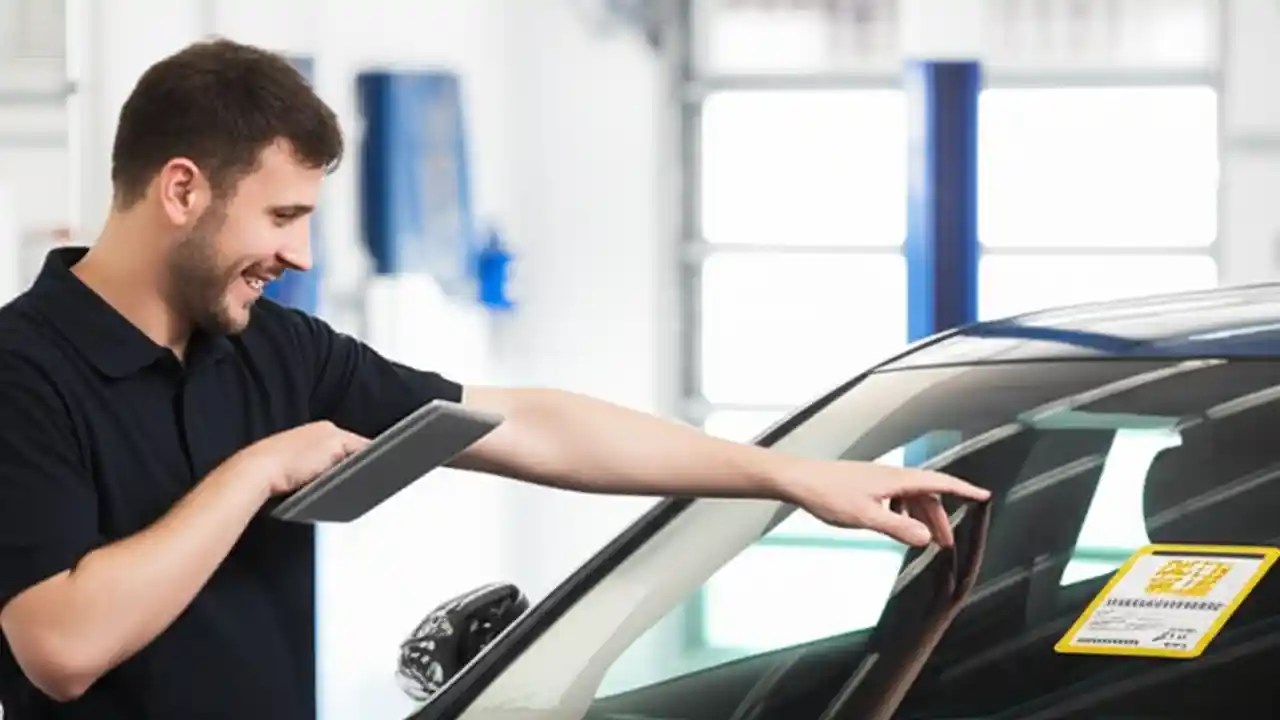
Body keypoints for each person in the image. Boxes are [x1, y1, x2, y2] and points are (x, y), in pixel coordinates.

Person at [0, 39, 989, 719]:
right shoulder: (23, 372)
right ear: (181, 189)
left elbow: (527, 427)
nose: (299, 253)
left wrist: (787, 473)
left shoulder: (279, 351)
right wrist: (251, 473)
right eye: (280, 216)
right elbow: (62, 645)